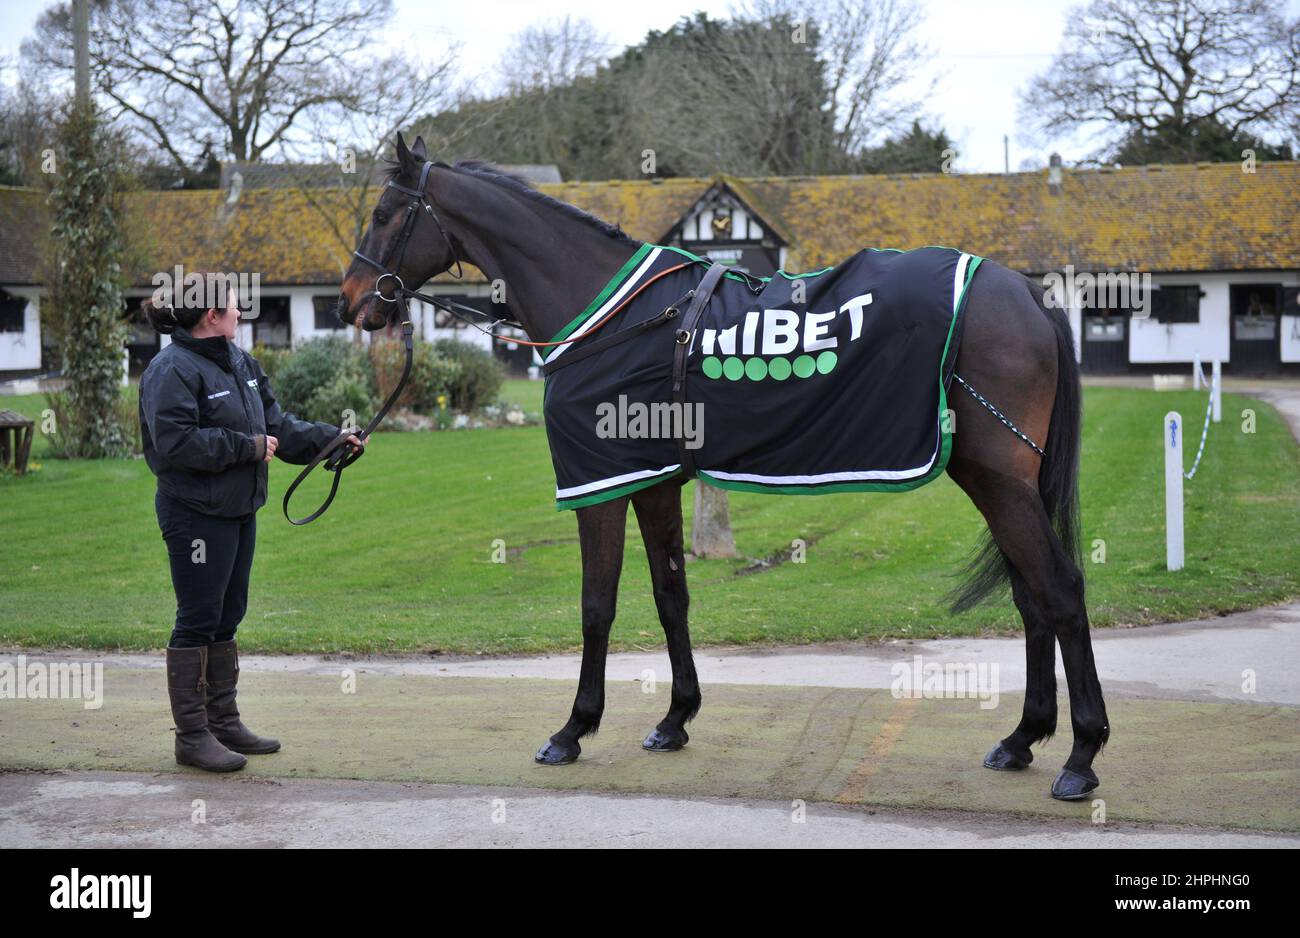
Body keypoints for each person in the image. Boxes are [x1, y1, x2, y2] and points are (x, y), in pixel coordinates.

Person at [138, 282, 362, 772]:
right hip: (194, 514)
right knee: (197, 619)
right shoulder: (169, 370)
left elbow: (278, 426)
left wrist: (333, 441)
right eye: (235, 305)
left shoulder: (241, 363)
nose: (242, 310)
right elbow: (176, 444)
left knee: (228, 615)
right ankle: (192, 736)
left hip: (239, 510)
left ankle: (224, 722)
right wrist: (247, 447)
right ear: (212, 315)